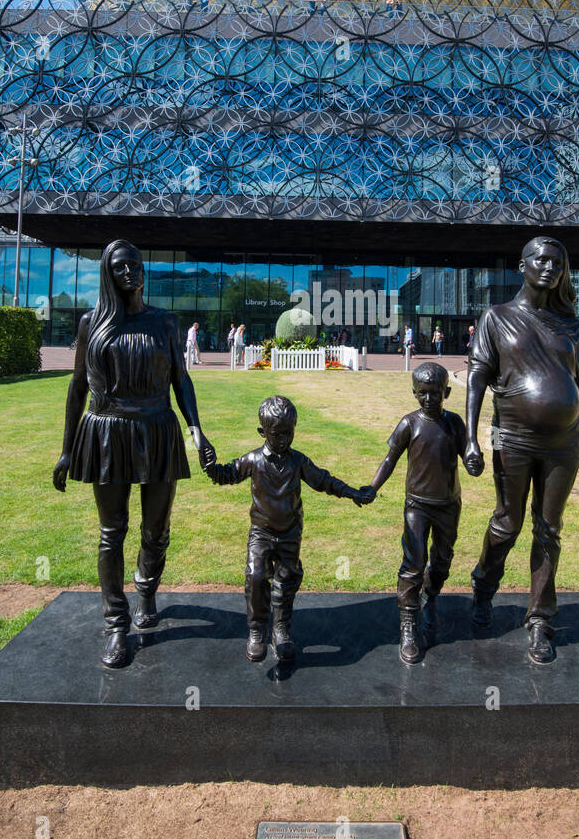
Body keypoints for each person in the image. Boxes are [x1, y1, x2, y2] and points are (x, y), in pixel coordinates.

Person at [52, 240, 215, 668]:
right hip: (107, 432)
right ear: (109, 273)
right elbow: (77, 389)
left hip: (158, 429)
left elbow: (182, 380)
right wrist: (67, 451)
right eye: (121, 267)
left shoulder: (165, 322)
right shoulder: (94, 323)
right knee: (112, 531)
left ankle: (145, 591)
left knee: (155, 530)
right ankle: (115, 624)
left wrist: (196, 430)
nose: (131, 273)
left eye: (136, 266)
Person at [464, 236, 579, 666]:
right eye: (540, 260)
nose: (549, 267)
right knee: (507, 523)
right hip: (514, 439)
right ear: (521, 266)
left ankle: (540, 620)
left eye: (558, 262)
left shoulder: (571, 325)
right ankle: (484, 586)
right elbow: (476, 379)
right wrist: (470, 437)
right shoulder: (497, 318)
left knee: (549, 529)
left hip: (566, 443)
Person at [203, 396, 373, 661]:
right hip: (261, 532)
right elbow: (229, 473)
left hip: (290, 533)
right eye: (276, 435)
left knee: (286, 581)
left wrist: (352, 493)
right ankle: (257, 629)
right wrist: (211, 468)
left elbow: (323, 480)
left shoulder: (298, 462)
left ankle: (281, 628)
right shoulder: (254, 460)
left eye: (288, 434)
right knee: (256, 575)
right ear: (263, 432)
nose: (283, 440)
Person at [370, 362, 471, 663]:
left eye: (435, 393)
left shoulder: (454, 424)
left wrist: (474, 461)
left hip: (448, 505)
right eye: (423, 393)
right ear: (414, 393)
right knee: (413, 564)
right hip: (417, 505)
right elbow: (390, 460)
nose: (429, 399)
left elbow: (468, 457)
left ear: (447, 392)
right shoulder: (409, 424)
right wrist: (373, 487)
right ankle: (408, 625)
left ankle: (432, 595)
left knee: (442, 560)